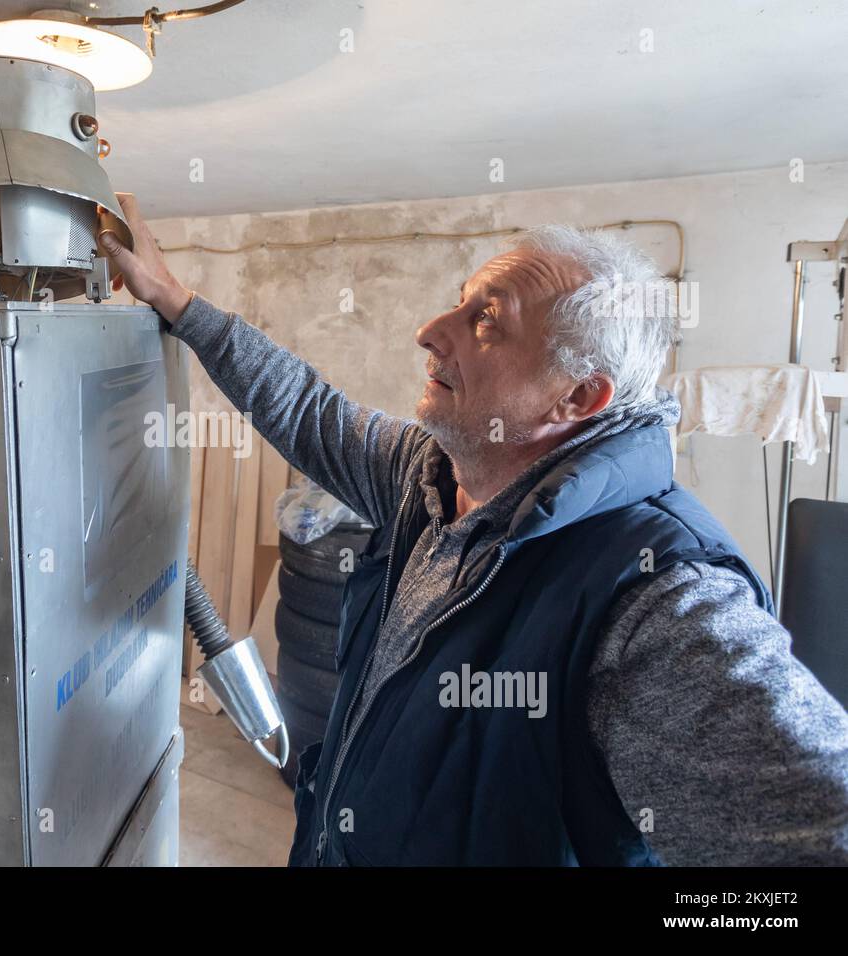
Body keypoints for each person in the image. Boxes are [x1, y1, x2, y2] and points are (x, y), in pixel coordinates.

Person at [99, 194, 848, 866]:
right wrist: (173, 298)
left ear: (577, 395)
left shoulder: (657, 596)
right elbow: (307, 408)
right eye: (460, 304)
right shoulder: (428, 476)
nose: (431, 332)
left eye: (486, 320)